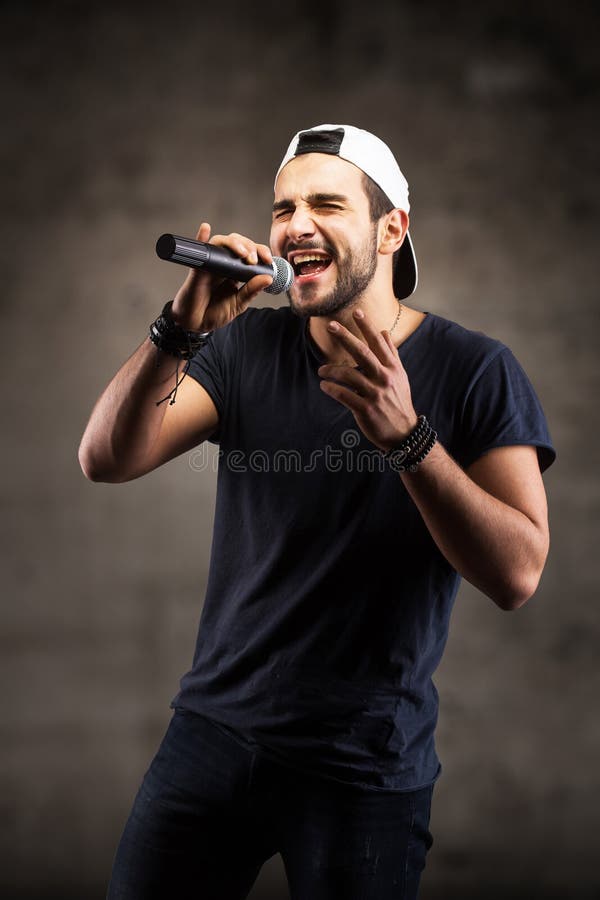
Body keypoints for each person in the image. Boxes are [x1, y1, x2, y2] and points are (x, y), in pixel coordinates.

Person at [79, 124, 555, 900]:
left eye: (325, 204)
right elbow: (105, 456)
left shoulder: (477, 370)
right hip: (213, 734)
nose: (294, 225)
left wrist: (408, 438)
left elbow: (518, 572)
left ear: (391, 228)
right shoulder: (246, 347)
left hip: (363, 764)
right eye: (282, 207)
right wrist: (181, 328)